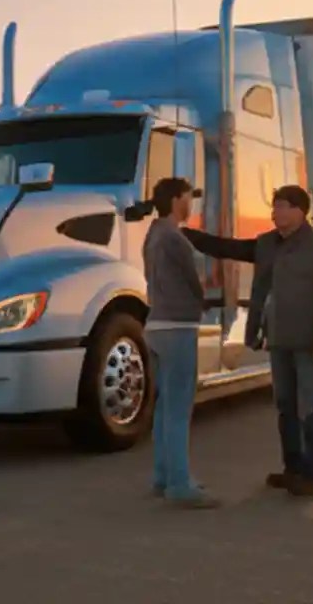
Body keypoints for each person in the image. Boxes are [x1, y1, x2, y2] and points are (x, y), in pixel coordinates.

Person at [181, 185, 313, 497]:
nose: (276, 212)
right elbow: (230, 248)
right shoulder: (268, 244)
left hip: (309, 342)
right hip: (279, 339)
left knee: (311, 407)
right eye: (274, 206)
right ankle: (292, 467)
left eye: (282, 206)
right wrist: (190, 236)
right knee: (285, 405)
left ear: (300, 211)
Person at [143, 177, 220, 509]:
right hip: (178, 326)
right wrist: (205, 297)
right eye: (189, 198)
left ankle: (164, 476)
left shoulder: (153, 234)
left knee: (164, 407)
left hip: (157, 324)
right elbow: (194, 283)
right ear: (177, 200)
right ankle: (179, 484)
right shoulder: (175, 238)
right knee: (178, 409)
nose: (191, 205)